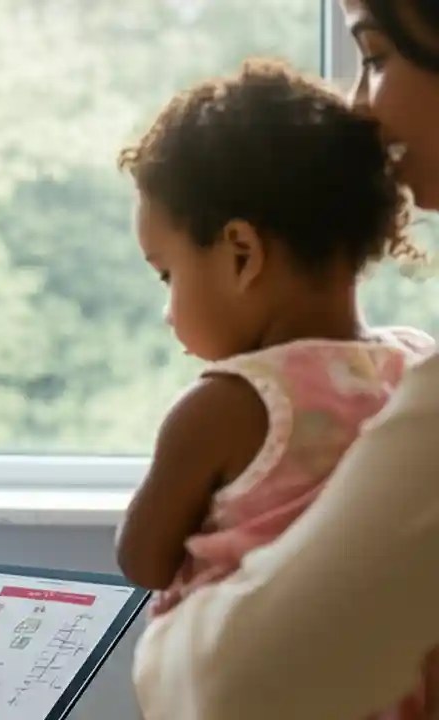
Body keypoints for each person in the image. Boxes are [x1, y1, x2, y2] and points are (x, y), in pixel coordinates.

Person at [131, 1, 439, 718]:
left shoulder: (227, 404)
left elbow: (143, 562)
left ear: (241, 253)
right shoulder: (413, 363)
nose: (365, 112)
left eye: (377, 56)